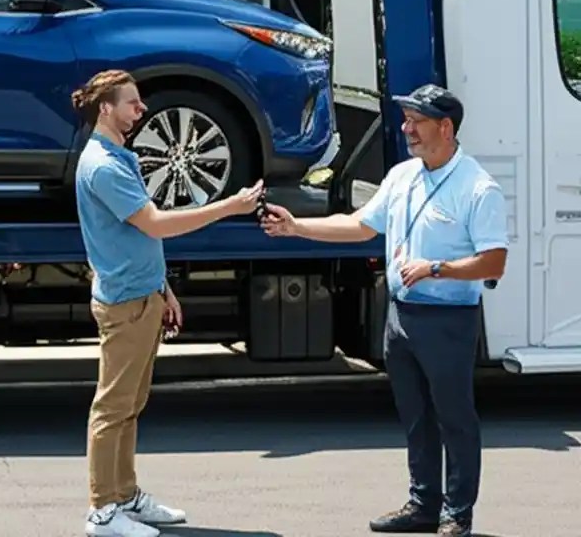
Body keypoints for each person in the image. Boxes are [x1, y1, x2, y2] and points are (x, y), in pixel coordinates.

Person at [261, 84, 508, 537]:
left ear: (446, 127)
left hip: (448, 320)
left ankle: (458, 513)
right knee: (415, 417)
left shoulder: (477, 187)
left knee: (454, 418)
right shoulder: (402, 176)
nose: (407, 128)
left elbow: (493, 262)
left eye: (417, 121)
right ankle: (423, 505)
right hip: (400, 317)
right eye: (407, 119)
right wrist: (297, 227)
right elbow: (359, 226)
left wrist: (437, 268)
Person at [71, 69, 263, 537]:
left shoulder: (119, 157)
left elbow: (138, 238)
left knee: (129, 405)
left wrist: (163, 289)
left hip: (142, 296)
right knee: (113, 408)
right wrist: (229, 206)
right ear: (106, 109)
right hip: (125, 304)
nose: (142, 109)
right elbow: (155, 224)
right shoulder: (103, 166)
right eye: (132, 103)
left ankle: (124, 496)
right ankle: (103, 511)